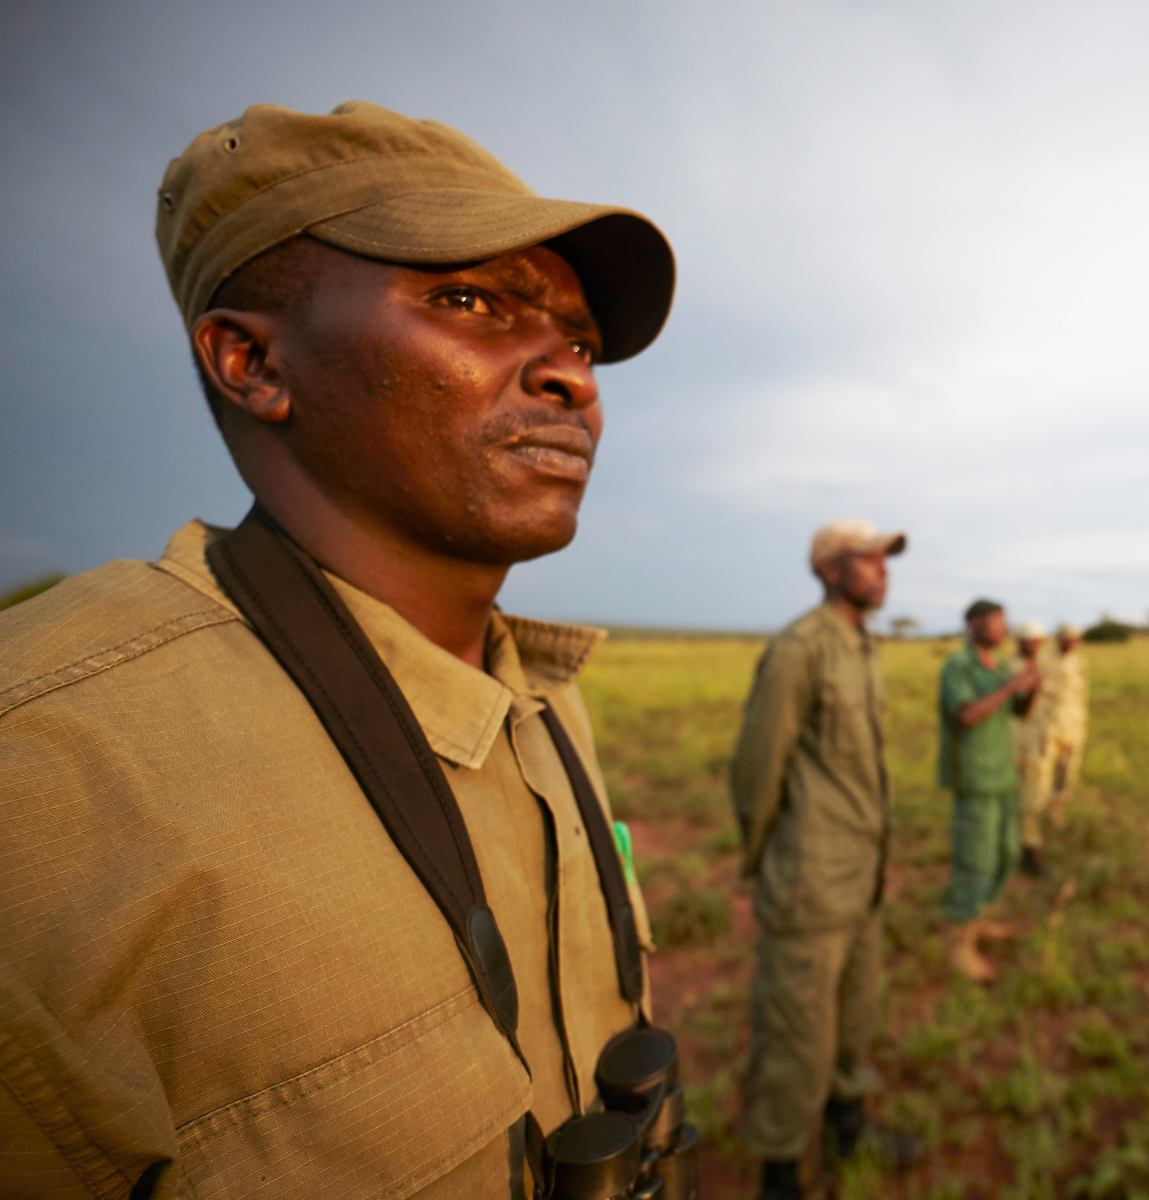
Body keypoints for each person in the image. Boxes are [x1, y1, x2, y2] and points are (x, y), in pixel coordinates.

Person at [0, 101, 677, 1197]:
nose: (573, 378)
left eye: (580, 341)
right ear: (250, 362)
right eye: (468, 300)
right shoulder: (48, 792)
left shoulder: (540, 697)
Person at [728, 518, 921, 1199]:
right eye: (868, 560)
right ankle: (779, 1172)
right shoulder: (800, 650)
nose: (882, 571)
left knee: (855, 1016)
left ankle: (848, 1130)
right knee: (796, 1037)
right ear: (831, 570)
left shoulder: (860, 646)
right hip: (810, 883)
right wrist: (764, 866)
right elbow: (758, 769)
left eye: (884, 560)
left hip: (860, 877)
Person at [937, 599, 1040, 981]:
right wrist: (1014, 683)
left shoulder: (996, 667)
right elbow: (966, 715)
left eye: (1004, 621)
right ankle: (958, 941)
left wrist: (1031, 688)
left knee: (1005, 854)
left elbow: (1016, 712)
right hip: (976, 779)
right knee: (975, 861)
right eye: (996, 622)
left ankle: (979, 918)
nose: (1003, 629)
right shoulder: (958, 666)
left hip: (1003, 776)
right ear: (973, 624)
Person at [1023, 622, 1090, 850]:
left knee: (1066, 775)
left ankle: (1057, 811)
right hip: (1046, 728)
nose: (1073, 642)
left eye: (1076, 638)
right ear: (1059, 638)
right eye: (1068, 637)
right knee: (1040, 777)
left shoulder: (1078, 662)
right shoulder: (1042, 658)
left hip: (1073, 728)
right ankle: (1032, 823)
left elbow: (1080, 695)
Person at [1010, 619, 1053, 878]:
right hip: (1014, 745)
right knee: (1021, 801)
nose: (1034, 646)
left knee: (1034, 800)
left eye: (1038, 641)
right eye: (1028, 640)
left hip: (1039, 744)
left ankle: (1027, 847)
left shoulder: (1046, 666)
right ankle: (1028, 851)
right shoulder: (1007, 668)